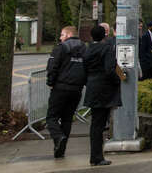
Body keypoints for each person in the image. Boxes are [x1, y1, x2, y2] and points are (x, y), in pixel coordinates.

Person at [45, 26, 86, 159]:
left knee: (51, 118)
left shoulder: (61, 48)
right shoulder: (84, 48)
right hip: (77, 89)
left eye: (62, 35)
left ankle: (58, 137)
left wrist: (50, 83)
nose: (60, 37)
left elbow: (52, 67)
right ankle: (60, 150)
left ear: (68, 35)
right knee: (67, 119)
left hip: (60, 88)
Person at [84, 24, 120, 167]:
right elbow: (110, 69)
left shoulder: (88, 50)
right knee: (100, 124)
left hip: (92, 87)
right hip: (104, 89)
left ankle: (95, 155)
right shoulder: (107, 49)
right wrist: (117, 80)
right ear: (105, 35)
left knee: (95, 125)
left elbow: (85, 68)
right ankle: (98, 157)